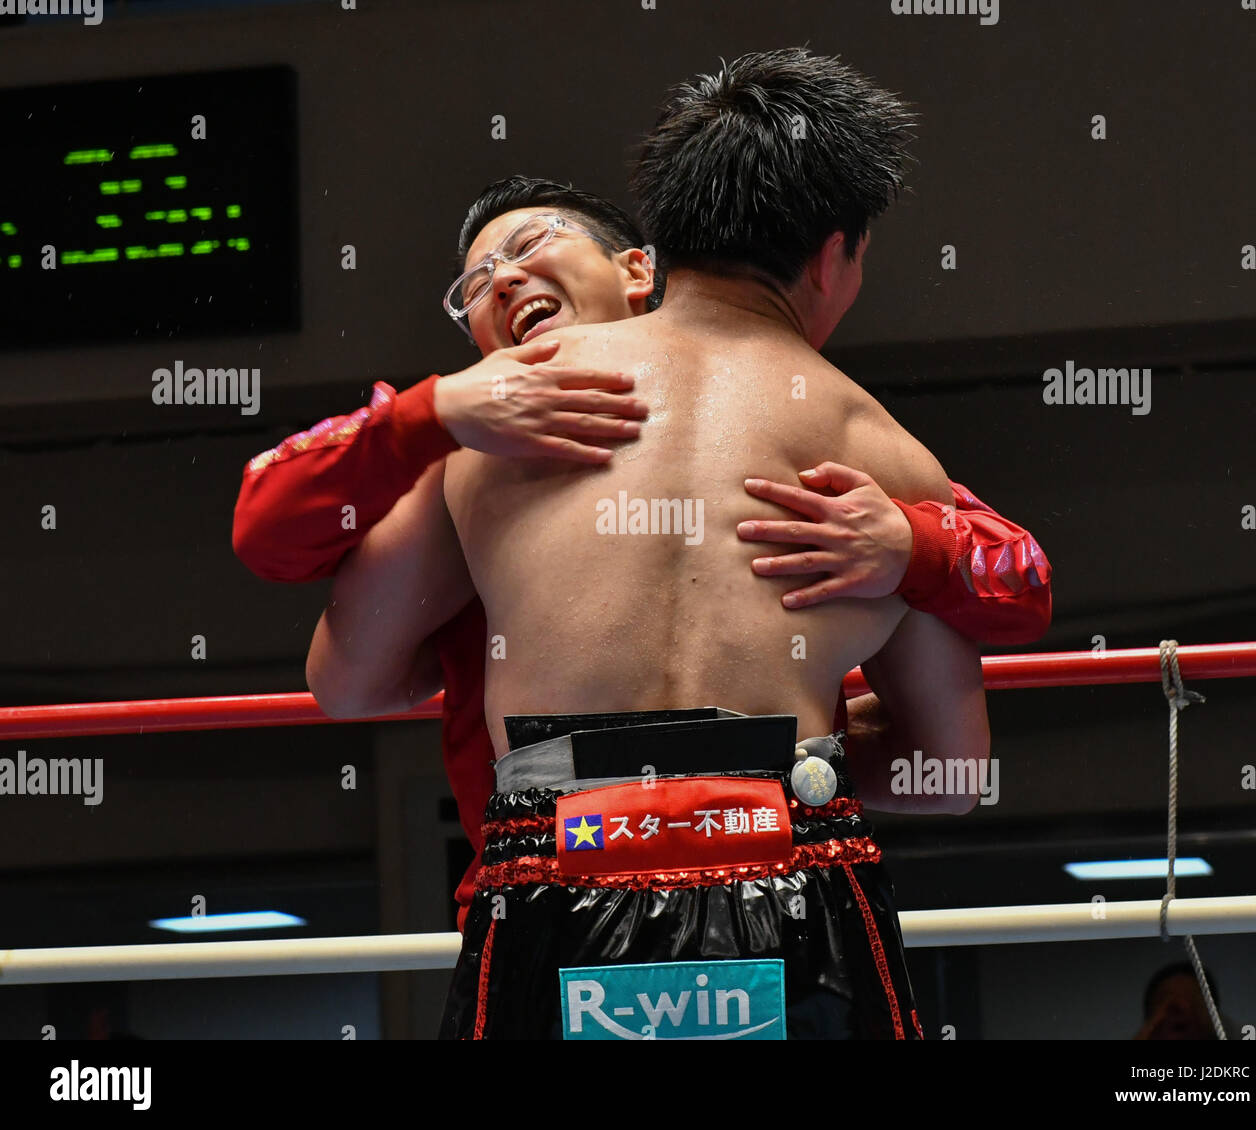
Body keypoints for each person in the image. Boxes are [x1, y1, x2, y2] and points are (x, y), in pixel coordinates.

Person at [313, 47, 999, 1040]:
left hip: (554, 851)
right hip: (790, 858)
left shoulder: (513, 408)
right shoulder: (885, 455)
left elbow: (343, 680)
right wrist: (788, 742)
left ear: (662, 243)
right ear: (831, 255)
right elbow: (953, 768)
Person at [232, 176, 1050, 932]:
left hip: (593, 876)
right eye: (475, 287)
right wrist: (435, 411)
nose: (503, 282)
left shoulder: (820, 435)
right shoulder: (464, 450)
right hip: (706, 863)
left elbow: (1021, 583)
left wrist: (915, 548)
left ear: (636, 269)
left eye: (527, 247)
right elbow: (273, 546)